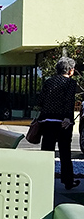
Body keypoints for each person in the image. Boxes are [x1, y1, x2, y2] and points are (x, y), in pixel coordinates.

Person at [37, 56, 79, 190]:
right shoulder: (70, 84)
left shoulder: (48, 82)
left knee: (47, 151)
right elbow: (69, 101)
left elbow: (40, 100)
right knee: (64, 152)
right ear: (70, 70)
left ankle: (43, 179)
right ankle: (67, 180)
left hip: (47, 120)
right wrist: (68, 117)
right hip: (62, 121)